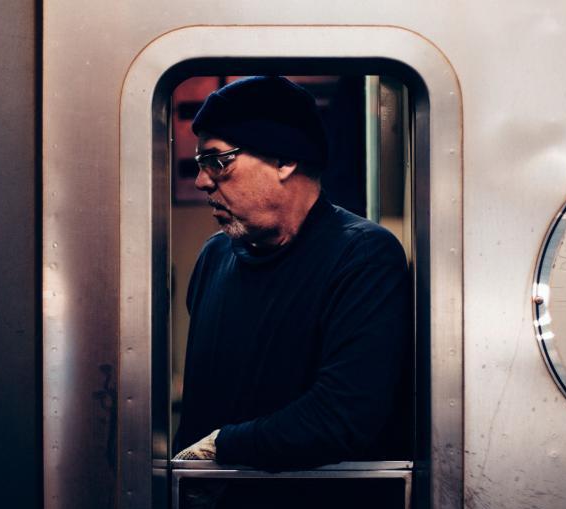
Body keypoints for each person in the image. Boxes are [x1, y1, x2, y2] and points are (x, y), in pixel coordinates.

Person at [172, 76, 411, 471]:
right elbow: (201, 404)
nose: (202, 181)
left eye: (218, 161)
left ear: (284, 160)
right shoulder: (215, 256)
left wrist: (221, 447)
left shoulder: (363, 255)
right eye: (200, 164)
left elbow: (342, 416)